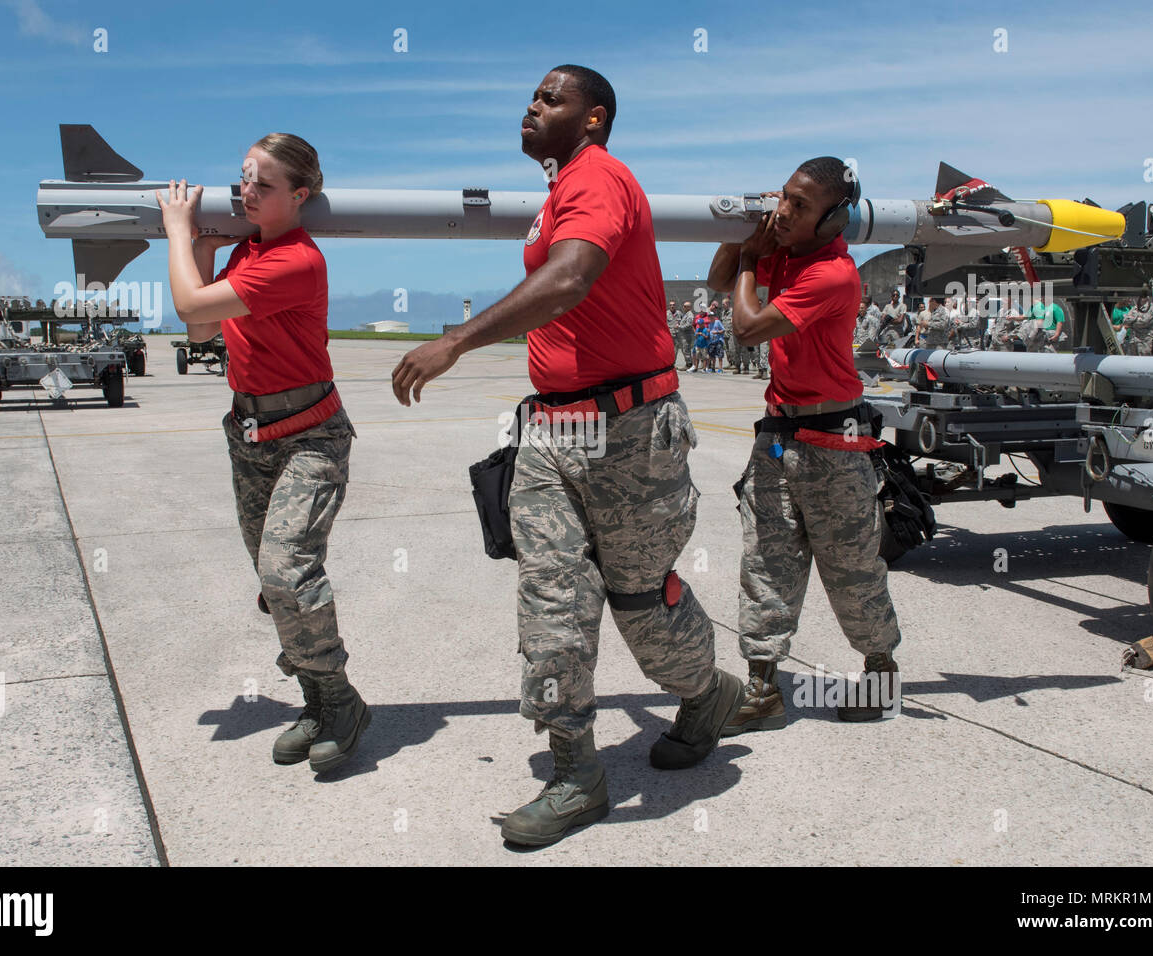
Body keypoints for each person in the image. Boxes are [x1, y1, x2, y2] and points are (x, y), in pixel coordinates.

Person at [391, 65, 742, 848]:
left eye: (550, 97)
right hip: (551, 435)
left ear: (593, 118)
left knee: (641, 607)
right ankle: (577, 774)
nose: (531, 104)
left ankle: (706, 690)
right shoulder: (559, 191)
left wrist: (456, 339)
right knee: (552, 605)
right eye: (531, 94)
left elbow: (576, 275)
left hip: (630, 436)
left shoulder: (601, 177)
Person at [156, 134, 368, 775]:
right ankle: (316, 701)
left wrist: (174, 227)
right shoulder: (249, 252)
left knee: (285, 570)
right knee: (276, 588)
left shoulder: (296, 261)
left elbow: (190, 303)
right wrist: (199, 248)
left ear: (300, 196)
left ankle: (340, 704)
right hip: (250, 439)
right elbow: (198, 329)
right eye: (243, 179)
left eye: (263, 184)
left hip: (309, 436)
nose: (245, 191)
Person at [705, 156, 903, 731]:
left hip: (835, 440)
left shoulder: (833, 273)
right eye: (784, 198)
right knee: (766, 560)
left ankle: (881, 674)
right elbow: (721, 282)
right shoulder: (786, 252)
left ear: (835, 218)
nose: (785, 212)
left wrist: (751, 259)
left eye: (800, 205)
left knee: (852, 568)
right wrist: (749, 239)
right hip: (779, 433)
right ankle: (763, 684)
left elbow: (745, 327)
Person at [678, 300, 695, 369]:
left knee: (686, 350)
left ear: (689, 307)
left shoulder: (690, 315)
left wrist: (680, 327)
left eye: (685, 306)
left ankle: (689, 364)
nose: (683, 307)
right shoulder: (686, 314)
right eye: (683, 306)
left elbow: (689, 325)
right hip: (684, 335)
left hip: (687, 335)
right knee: (685, 349)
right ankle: (688, 363)